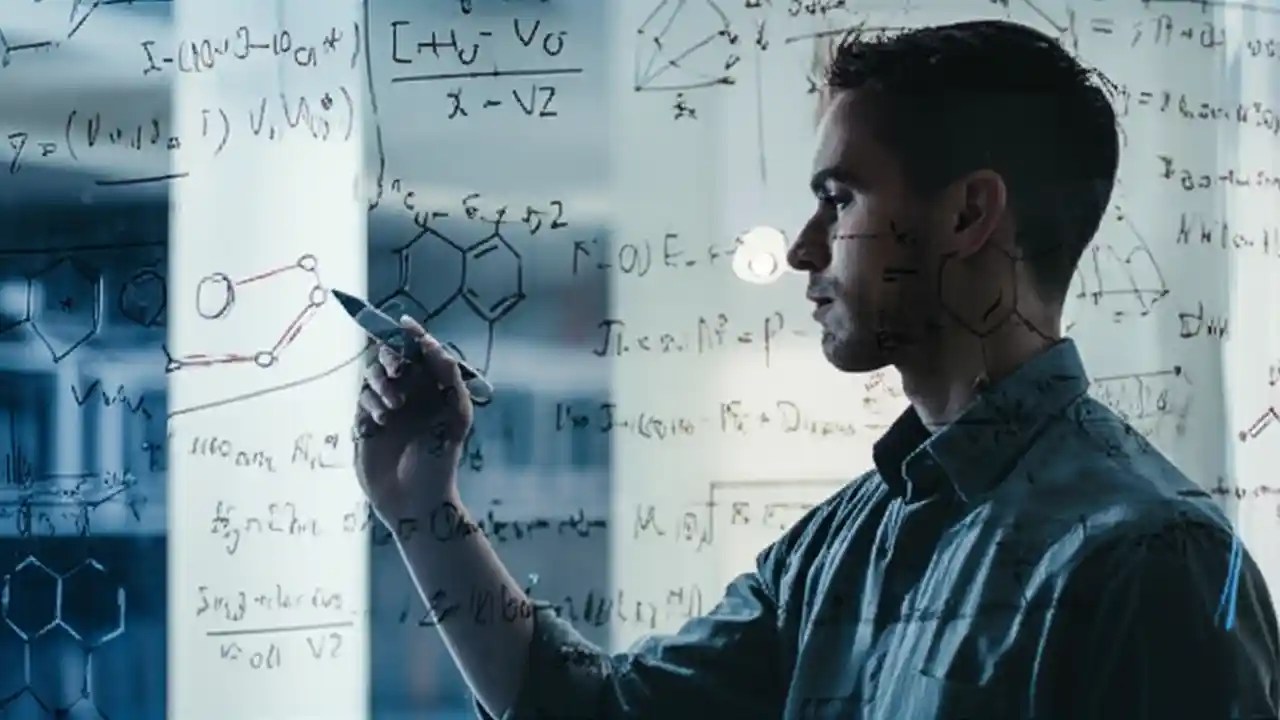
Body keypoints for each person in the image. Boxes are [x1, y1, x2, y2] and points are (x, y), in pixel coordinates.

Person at [353, 19, 1280, 720]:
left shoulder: (1155, 565)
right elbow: (599, 711)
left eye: (838, 199)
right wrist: (421, 504)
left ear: (969, 215)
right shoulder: (838, 548)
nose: (803, 250)